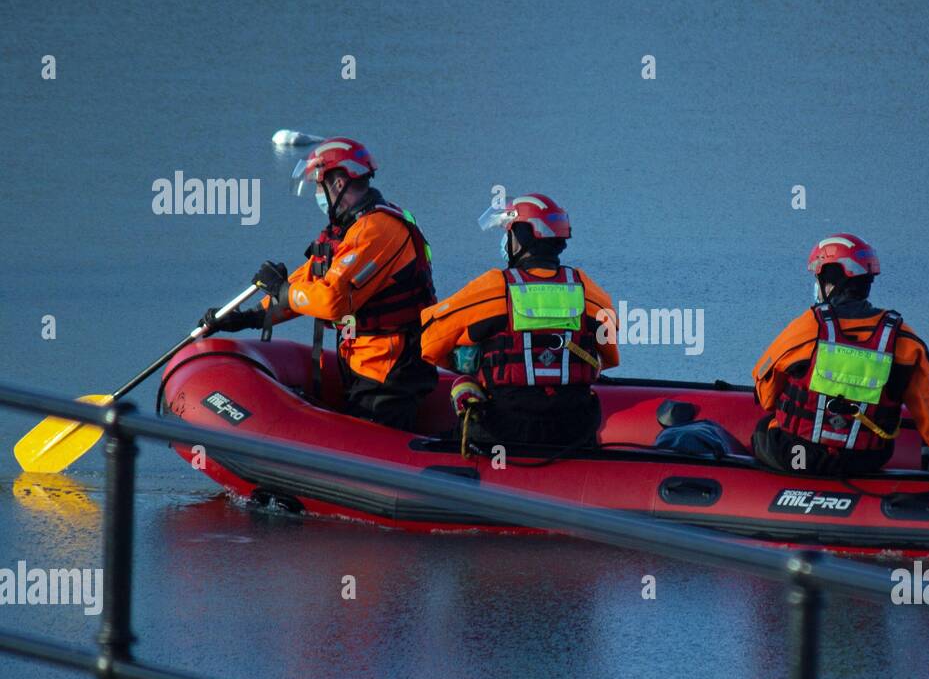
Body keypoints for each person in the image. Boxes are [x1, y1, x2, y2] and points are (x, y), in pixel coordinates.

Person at [198, 137, 438, 431]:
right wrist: (247, 317)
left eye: (317, 185)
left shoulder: (378, 230)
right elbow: (306, 285)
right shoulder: (346, 230)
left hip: (391, 368)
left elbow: (331, 301)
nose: (316, 193)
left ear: (338, 183)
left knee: (372, 443)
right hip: (364, 362)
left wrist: (283, 290)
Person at [752, 234, 929, 477]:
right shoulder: (903, 339)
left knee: (764, 431)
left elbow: (765, 394)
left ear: (830, 280)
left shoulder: (808, 327)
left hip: (802, 456)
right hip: (863, 461)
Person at [419, 194, 619, 451]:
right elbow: (610, 357)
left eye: (508, 232)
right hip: (574, 428)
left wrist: (474, 362)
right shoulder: (588, 289)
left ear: (521, 237)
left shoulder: (495, 286)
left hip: (506, 427)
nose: (505, 240)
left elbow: (430, 342)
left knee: (460, 395)